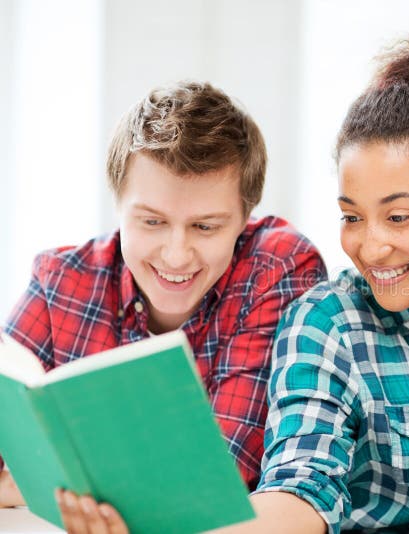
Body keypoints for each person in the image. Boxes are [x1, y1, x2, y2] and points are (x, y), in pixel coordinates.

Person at [50, 35, 409, 534]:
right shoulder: (330, 323)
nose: (371, 247)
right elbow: (298, 488)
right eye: (351, 217)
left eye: (398, 217)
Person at [0, 81, 326, 508]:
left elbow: (217, 475)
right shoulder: (59, 280)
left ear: (246, 217)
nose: (176, 255)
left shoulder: (276, 267)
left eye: (205, 226)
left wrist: (44, 485)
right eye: (152, 222)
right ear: (118, 204)